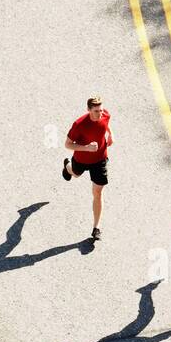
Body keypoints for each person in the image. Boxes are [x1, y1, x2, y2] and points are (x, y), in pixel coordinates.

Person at [62, 96, 113, 240]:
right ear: (88, 110)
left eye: (101, 110)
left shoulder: (105, 115)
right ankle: (67, 167)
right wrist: (86, 148)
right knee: (75, 174)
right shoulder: (79, 124)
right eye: (96, 111)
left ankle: (96, 228)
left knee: (98, 192)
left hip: (100, 159)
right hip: (82, 158)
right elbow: (67, 144)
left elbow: (107, 123)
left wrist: (111, 135)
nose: (100, 114)